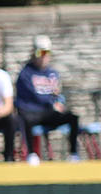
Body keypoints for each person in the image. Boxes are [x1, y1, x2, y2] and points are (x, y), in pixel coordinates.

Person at [14, 35, 83, 163]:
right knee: (26, 120)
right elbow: (34, 95)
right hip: (33, 112)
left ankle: (73, 154)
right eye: (40, 53)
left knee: (73, 117)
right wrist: (51, 102)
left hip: (49, 112)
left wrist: (58, 102)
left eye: (47, 53)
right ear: (34, 53)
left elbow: (56, 95)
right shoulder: (25, 73)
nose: (43, 56)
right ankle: (31, 154)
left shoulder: (52, 73)